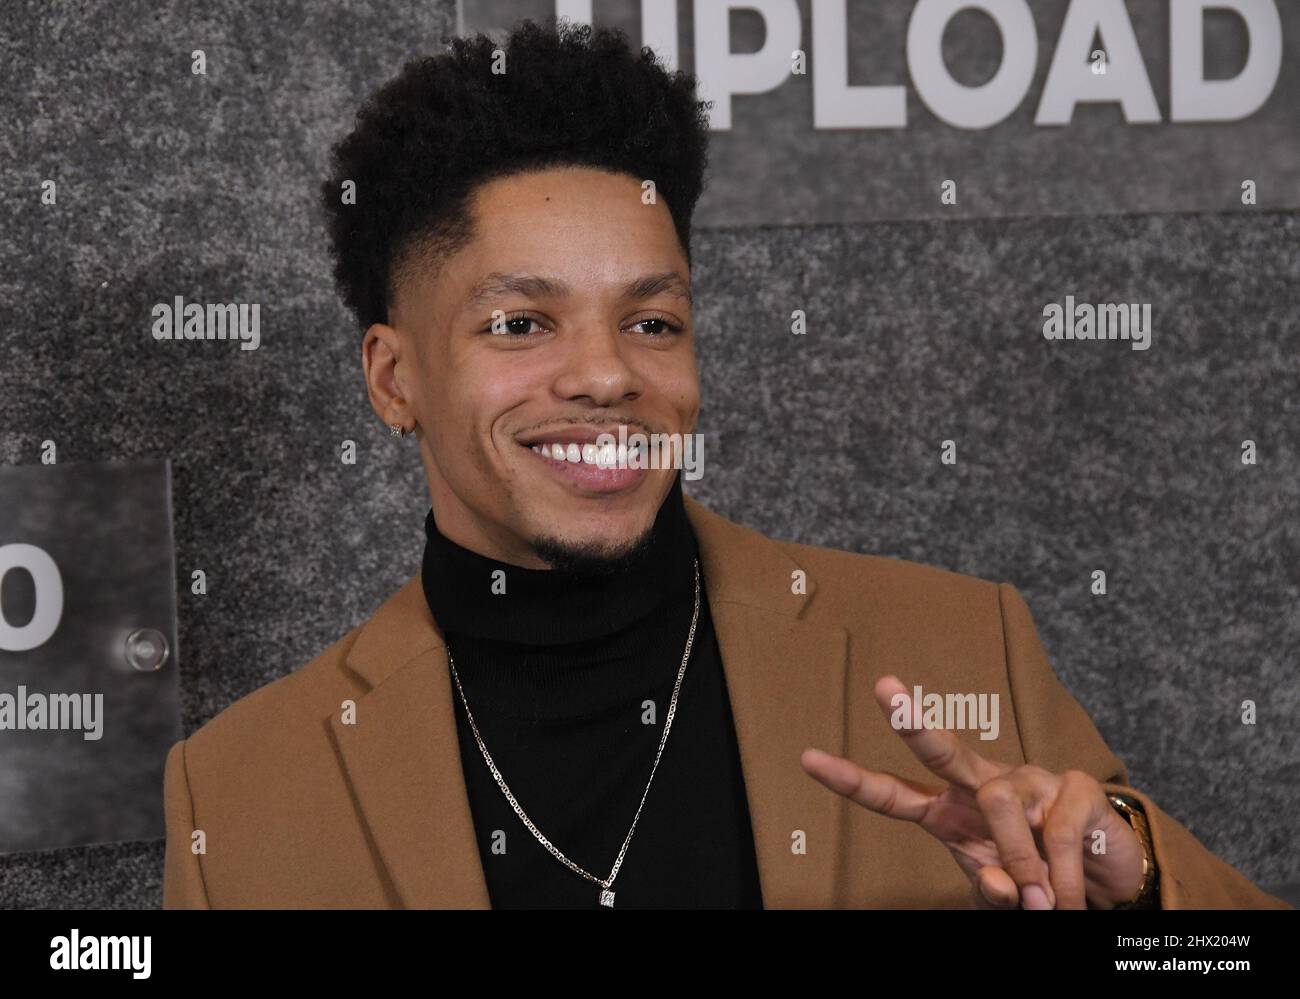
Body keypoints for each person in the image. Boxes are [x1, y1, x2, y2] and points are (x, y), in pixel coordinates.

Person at [162, 19, 1288, 910]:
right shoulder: (244, 790)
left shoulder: (953, 650)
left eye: (652, 322)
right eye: (520, 325)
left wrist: (1134, 895)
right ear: (393, 378)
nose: (607, 377)